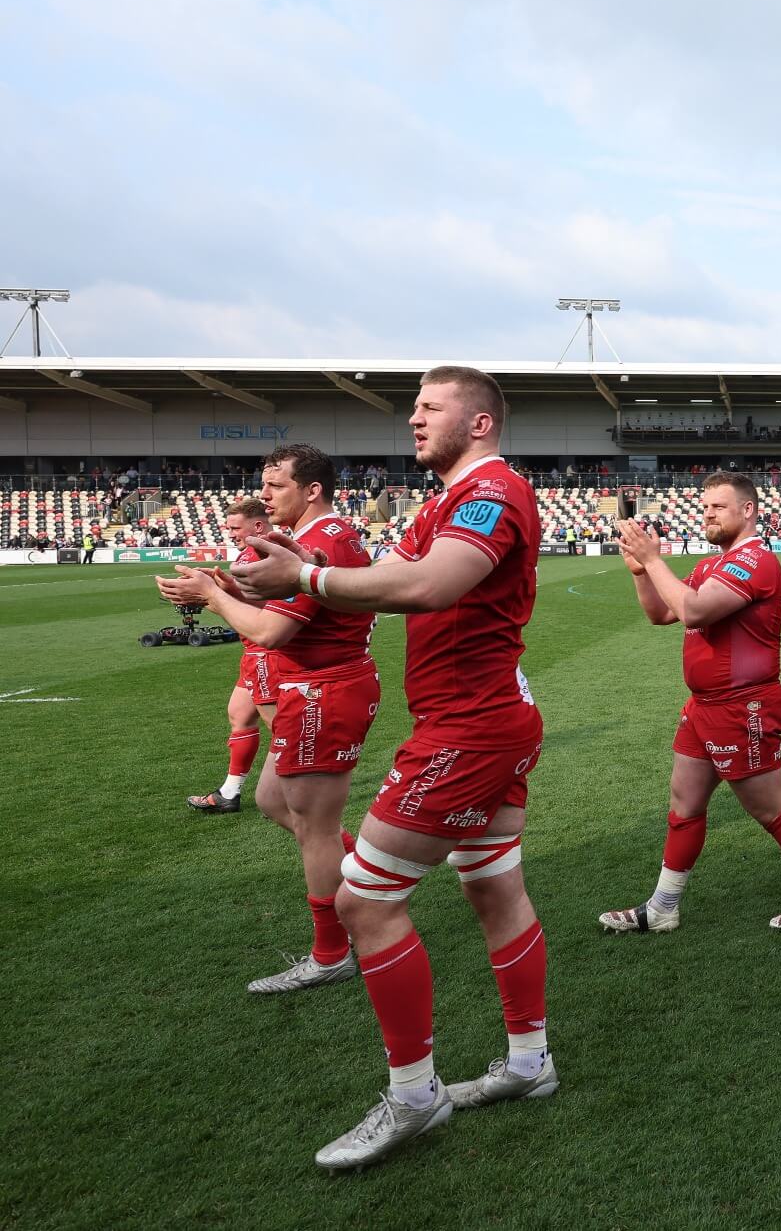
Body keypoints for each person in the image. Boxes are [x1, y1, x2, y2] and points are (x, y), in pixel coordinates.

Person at [230, 368, 554, 1168]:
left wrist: (302, 576)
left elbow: (428, 584)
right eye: (413, 406)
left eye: (430, 407)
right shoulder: (442, 500)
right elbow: (375, 587)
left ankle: (416, 1098)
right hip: (484, 719)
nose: (412, 419)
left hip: (469, 729)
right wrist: (274, 574)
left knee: (364, 903)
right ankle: (528, 1064)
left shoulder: (494, 489)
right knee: (493, 886)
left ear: (479, 423)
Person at [159, 446, 377, 998]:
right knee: (274, 801)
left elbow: (272, 634)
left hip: (322, 691)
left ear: (312, 490)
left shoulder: (321, 542)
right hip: (315, 687)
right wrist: (227, 589)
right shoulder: (317, 539)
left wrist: (210, 595)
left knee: (315, 826)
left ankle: (331, 953)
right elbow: (282, 615)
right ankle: (366, 880)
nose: (266, 496)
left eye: (276, 486)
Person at [599, 471, 781, 935]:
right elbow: (661, 613)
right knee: (684, 804)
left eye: (718, 506)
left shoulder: (754, 561)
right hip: (704, 706)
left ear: (748, 510)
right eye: (705, 505)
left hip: (743, 706)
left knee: (770, 808)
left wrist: (653, 561)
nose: (707, 513)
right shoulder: (713, 563)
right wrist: (640, 573)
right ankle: (663, 907)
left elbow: (693, 610)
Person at [184, 497, 278, 814]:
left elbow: (264, 608)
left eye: (235, 527)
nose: (231, 533)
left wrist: (210, 594)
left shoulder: (264, 555)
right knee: (239, 714)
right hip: (253, 649)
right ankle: (230, 792)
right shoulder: (249, 554)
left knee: (282, 729)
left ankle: (301, 792)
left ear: (258, 525)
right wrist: (216, 588)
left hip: (265, 651)